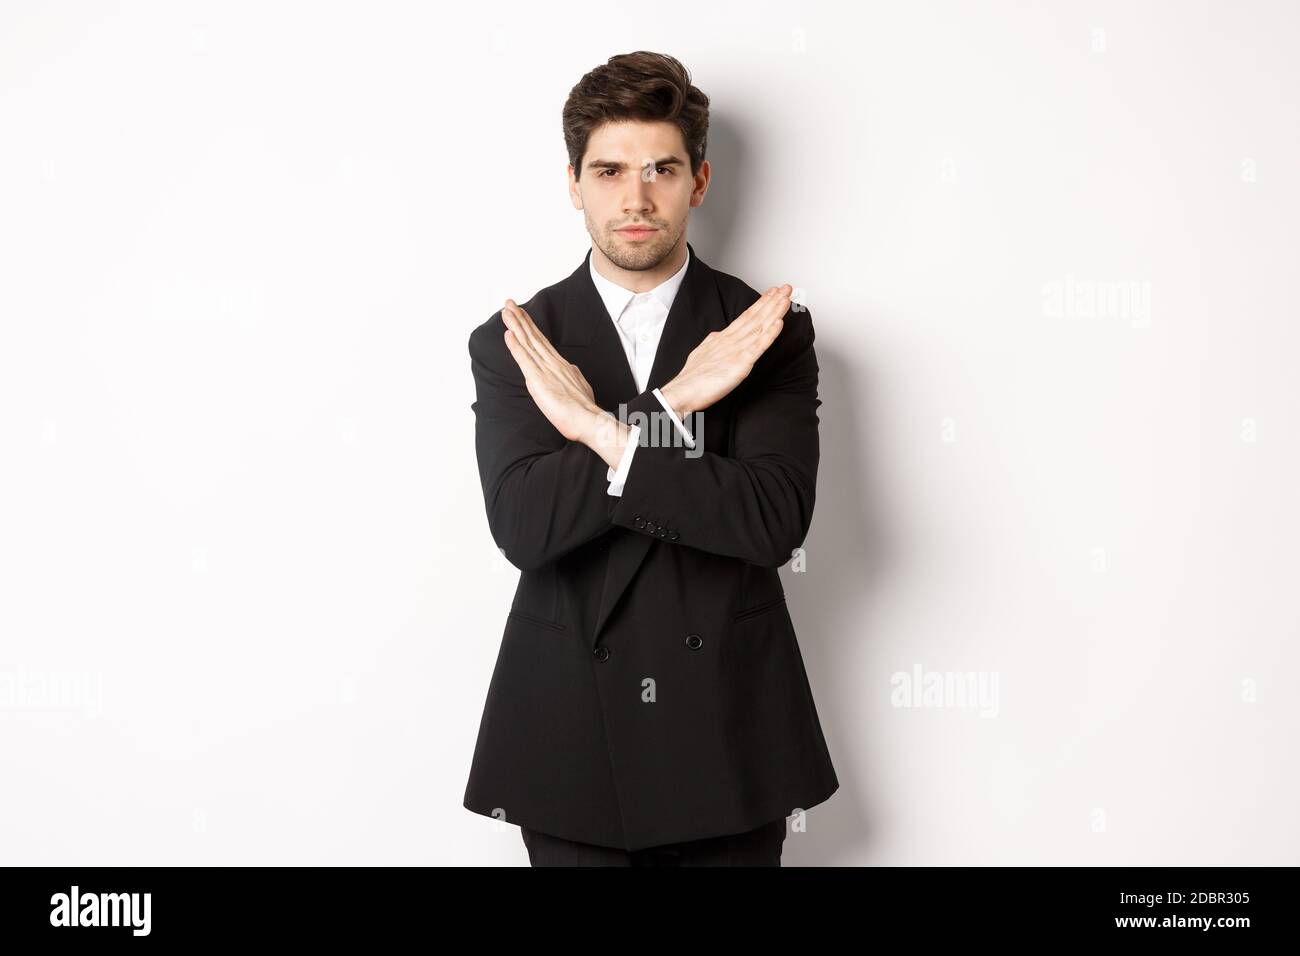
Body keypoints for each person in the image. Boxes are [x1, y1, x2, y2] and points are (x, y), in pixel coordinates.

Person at [463, 51, 838, 866]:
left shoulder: (764, 332)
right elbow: (526, 526)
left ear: (699, 181)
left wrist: (606, 432)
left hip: (728, 734)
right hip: (569, 744)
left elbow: (772, 521)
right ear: (574, 183)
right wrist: (671, 406)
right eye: (609, 171)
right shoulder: (517, 342)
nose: (635, 199)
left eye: (662, 169)